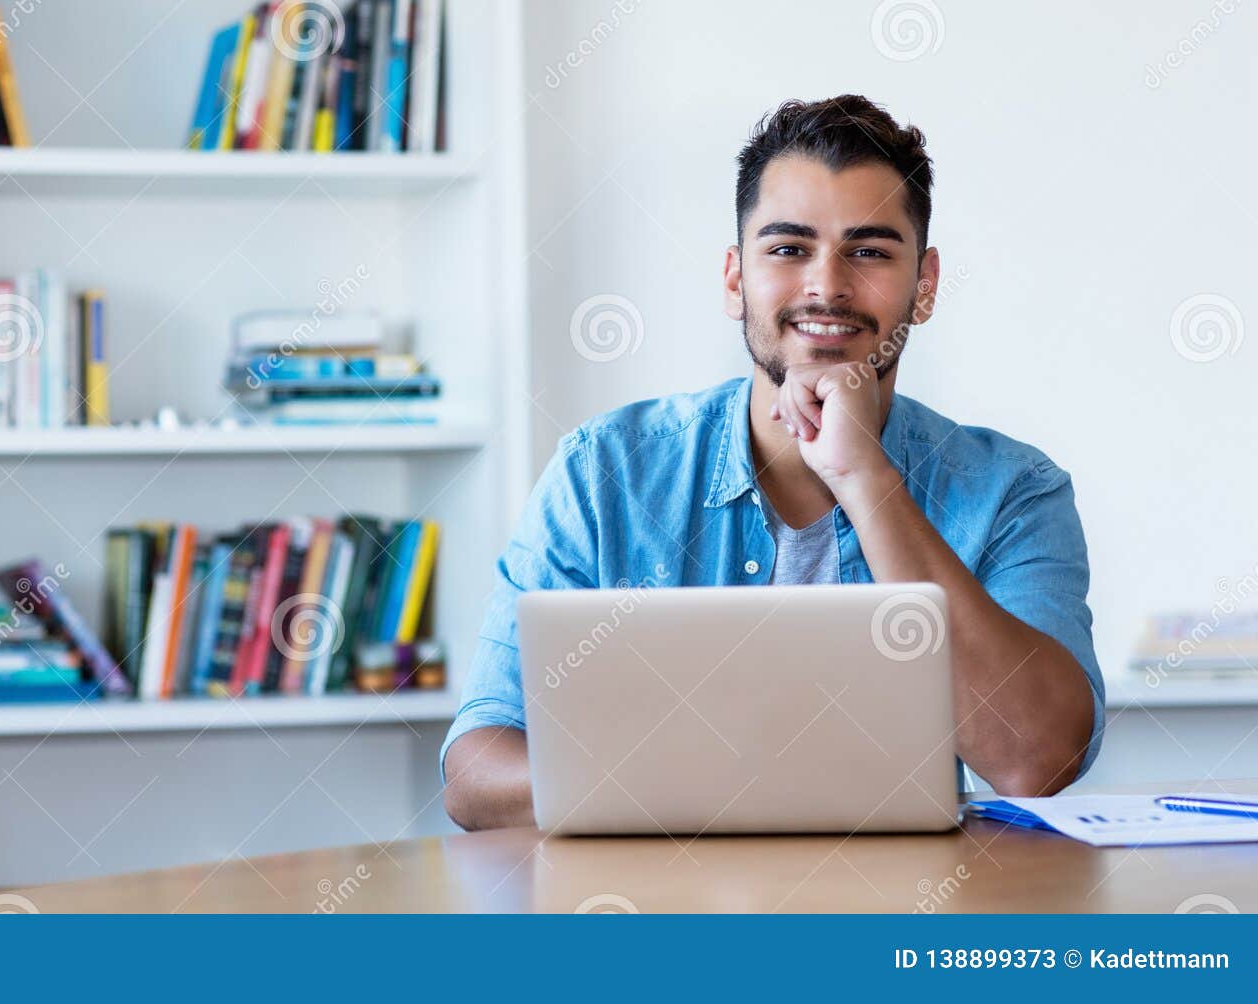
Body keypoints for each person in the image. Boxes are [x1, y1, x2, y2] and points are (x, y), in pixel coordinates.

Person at [441, 94, 1103, 831]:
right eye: (788, 249)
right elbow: (474, 775)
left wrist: (867, 481)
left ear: (926, 286)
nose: (827, 286)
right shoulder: (605, 474)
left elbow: (1034, 760)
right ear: (735, 280)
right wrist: (717, 780)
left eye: (871, 251)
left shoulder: (1013, 490)